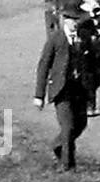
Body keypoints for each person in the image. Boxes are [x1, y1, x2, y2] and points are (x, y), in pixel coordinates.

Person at [33, 10, 92, 172]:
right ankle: (67, 164)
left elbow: (89, 65)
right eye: (71, 21)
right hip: (61, 90)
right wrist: (39, 95)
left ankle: (58, 145)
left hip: (79, 89)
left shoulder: (83, 38)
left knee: (80, 124)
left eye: (76, 21)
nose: (74, 24)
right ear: (65, 21)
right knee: (68, 125)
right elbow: (43, 66)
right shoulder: (55, 38)